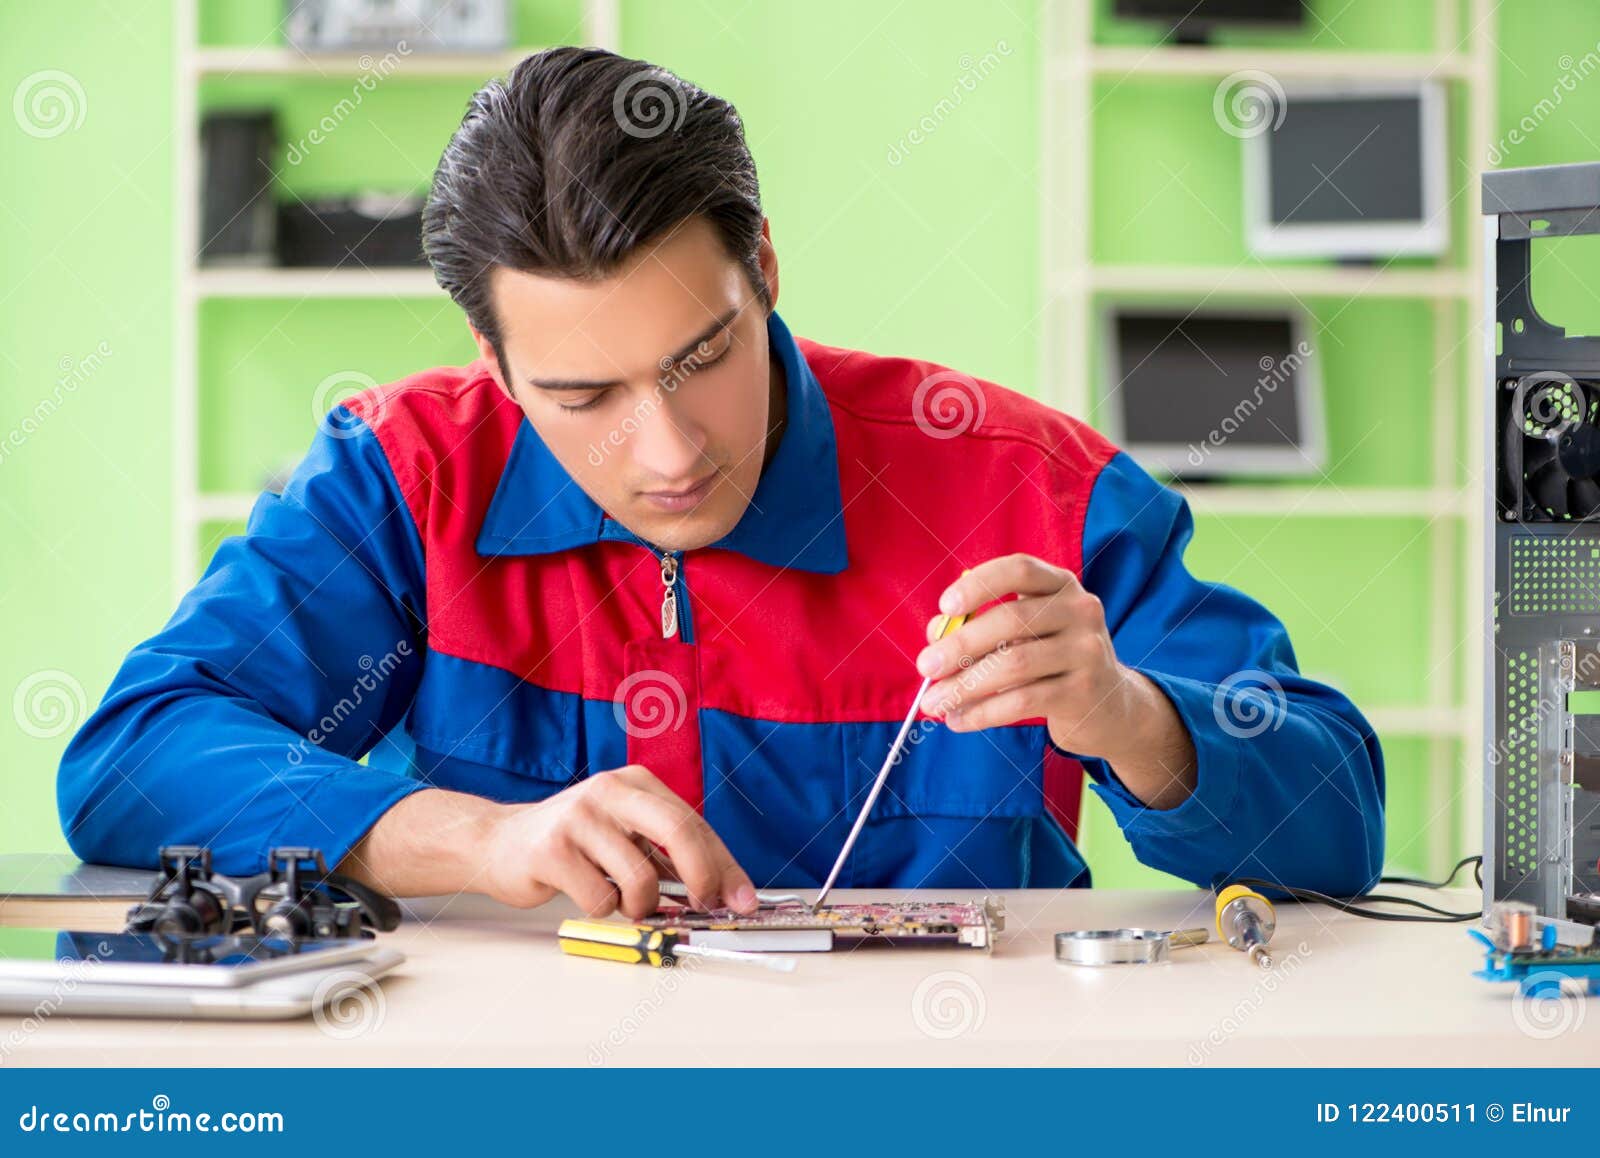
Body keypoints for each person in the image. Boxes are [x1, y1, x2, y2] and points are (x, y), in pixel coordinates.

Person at [58, 47, 1383, 920]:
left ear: (764, 269)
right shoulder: (403, 474)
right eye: (584, 395)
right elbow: (132, 759)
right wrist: (474, 838)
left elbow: (1341, 822)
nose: (671, 448)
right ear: (497, 361)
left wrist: (1135, 716)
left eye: (702, 356)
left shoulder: (1026, 484)